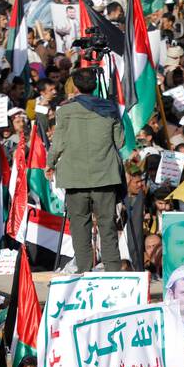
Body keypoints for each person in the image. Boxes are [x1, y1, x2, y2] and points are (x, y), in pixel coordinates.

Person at [47, 68, 125, 272]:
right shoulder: (109, 108)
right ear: (95, 85)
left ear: (76, 86)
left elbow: (58, 143)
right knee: (107, 227)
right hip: (105, 176)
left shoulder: (65, 110)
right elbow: (120, 140)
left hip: (75, 178)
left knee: (80, 227)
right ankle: (113, 272)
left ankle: (83, 271)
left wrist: (50, 164)